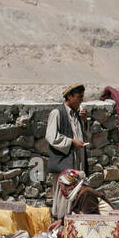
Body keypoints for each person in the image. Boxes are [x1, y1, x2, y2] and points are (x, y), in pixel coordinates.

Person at [47, 84, 88, 219]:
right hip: (64, 164)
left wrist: (84, 121)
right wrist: (71, 142)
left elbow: (83, 134)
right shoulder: (57, 113)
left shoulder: (76, 115)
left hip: (76, 164)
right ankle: (61, 224)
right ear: (69, 96)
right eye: (78, 97)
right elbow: (51, 137)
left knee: (76, 195)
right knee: (63, 198)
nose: (81, 101)